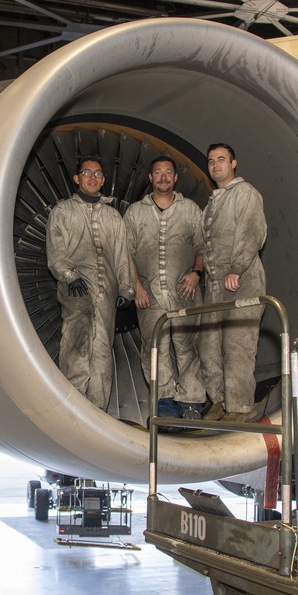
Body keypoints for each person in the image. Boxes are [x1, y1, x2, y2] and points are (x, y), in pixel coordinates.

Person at [46, 156, 136, 409]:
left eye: (98, 174)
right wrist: (69, 276)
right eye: (87, 173)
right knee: (77, 340)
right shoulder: (63, 211)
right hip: (76, 286)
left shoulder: (113, 216)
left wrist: (126, 288)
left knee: (102, 350)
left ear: (103, 180)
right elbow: (56, 249)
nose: (93, 177)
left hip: (106, 291)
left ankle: (97, 410)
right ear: (77, 178)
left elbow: (121, 254)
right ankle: (73, 405)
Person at [124, 156, 205, 420]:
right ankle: (165, 401)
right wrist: (137, 287)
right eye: (157, 172)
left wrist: (196, 272)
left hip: (185, 292)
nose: (163, 177)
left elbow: (204, 247)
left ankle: (191, 400)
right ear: (150, 178)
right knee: (155, 347)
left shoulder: (191, 209)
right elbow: (126, 253)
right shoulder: (135, 212)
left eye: (168, 173)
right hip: (150, 293)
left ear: (175, 178)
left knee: (187, 346)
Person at [199, 143, 267, 421]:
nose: (216, 165)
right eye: (212, 161)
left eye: (221, 160)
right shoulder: (213, 203)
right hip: (215, 286)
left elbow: (252, 232)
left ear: (233, 164)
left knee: (237, 345)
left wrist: (237, 269)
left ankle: (239, 406)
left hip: (242, 281)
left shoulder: (245, 193)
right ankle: (221, 400)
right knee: (210, 347)